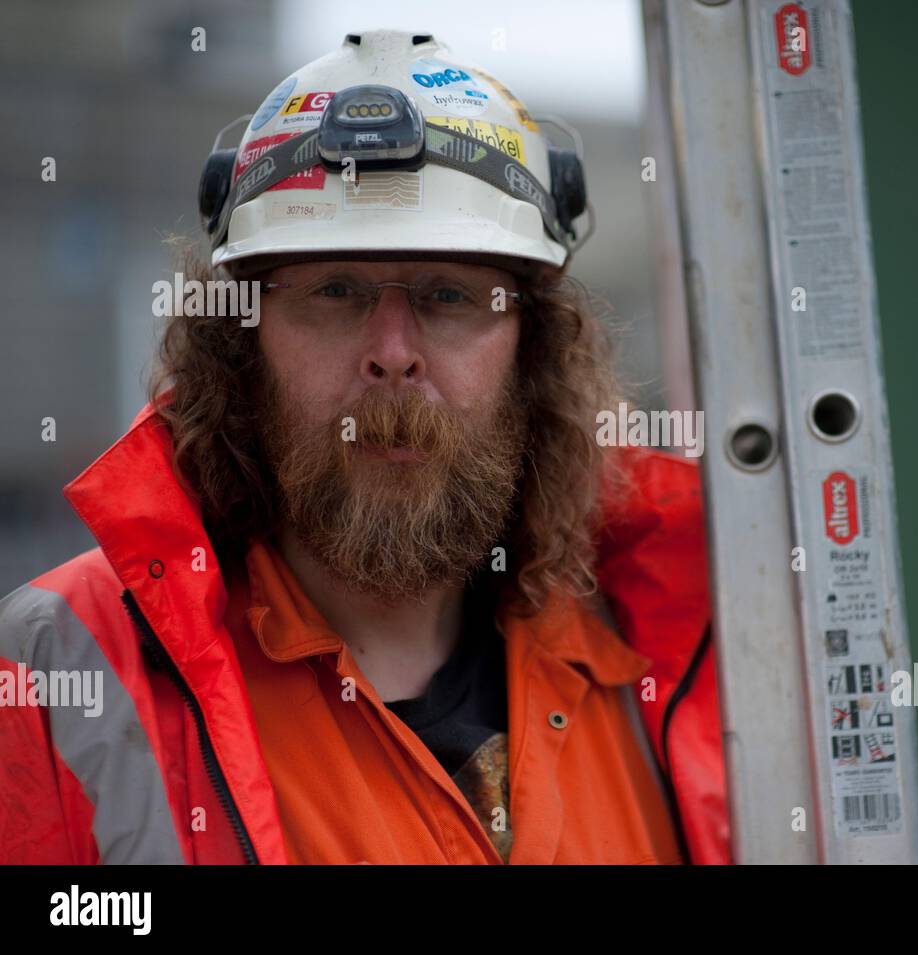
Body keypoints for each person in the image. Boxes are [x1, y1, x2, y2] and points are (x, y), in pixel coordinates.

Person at [0, 29, 728, 864]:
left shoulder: (675, 643)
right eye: (335, 290)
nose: (391, 349)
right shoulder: (63, 667)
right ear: (241, 345)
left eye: (449, 294)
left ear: (533, 351)